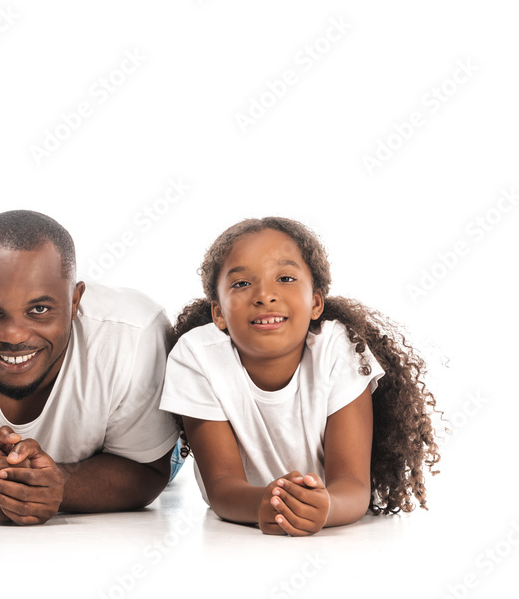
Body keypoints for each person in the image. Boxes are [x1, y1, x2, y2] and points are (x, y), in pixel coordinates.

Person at [0, 210, 179, 525]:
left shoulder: (135, 334)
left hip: (118, 447)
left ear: (75, 300)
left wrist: (56, 487)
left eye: (39, 309)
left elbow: (148, 469)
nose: (13, 335)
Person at [160, 217, 441, 536]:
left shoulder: (338, 349)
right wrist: (263, 504)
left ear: (316, 303)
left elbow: (353, 486)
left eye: (285, 277)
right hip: (246, 511)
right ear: (219, 313)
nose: (265, 295)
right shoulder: (198, 355)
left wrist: (326, 507)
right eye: (241, 283)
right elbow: (222, 486)